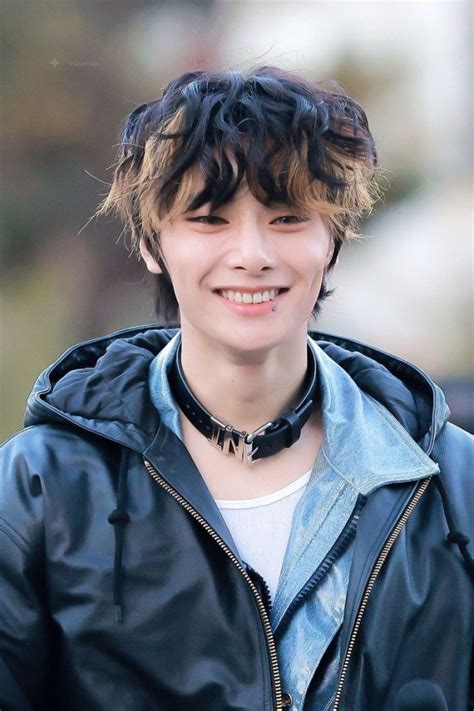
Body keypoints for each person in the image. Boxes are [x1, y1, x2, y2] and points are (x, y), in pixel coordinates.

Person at [0, 65, 472, 711]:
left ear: (332, 239)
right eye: (210, 218)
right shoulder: (40, 489)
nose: (252, 254)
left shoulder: (453, 487)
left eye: (287, 217)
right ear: (152, 242)